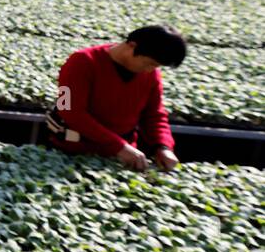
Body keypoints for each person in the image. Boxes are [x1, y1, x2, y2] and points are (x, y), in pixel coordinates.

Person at [45, 25, 185, 172]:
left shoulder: (151, 74)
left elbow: (154, 115)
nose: (150, 70)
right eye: (149, 63)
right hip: (71, 151)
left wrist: (162, 146)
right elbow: (69, 111)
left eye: (156, 66)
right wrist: (119, 146)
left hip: (122, 157)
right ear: (132, 46)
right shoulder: (80, 62)